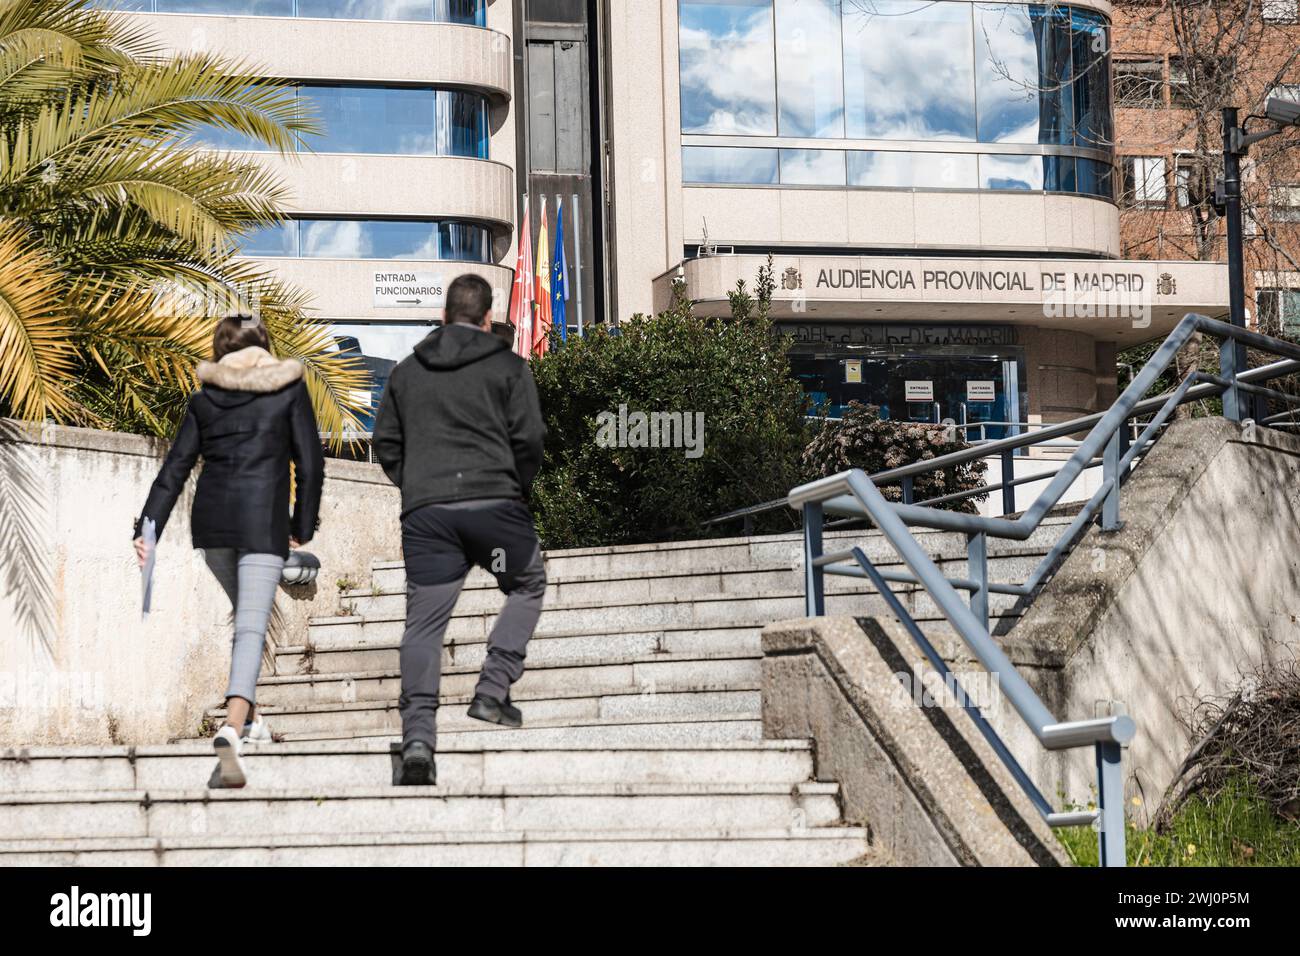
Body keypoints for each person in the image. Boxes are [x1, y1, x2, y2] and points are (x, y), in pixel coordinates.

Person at [133, 316, 324, 788]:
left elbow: (175, 466)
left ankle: (253, 722)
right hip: (262, 525)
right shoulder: (288, 389)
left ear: (220, 351)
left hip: (212, 524)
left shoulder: (205, 399)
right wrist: (302, 527)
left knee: (246, 616)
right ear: (264, 346)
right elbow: (311, 462)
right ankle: (232, 730)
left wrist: (147, 527)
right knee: (252, 625)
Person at [372, 273, 546, 786]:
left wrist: (418, 485)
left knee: (423, 625)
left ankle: (419, 740)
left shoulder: (406, 372)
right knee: (527, 581)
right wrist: (512, 487)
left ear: (445, 316)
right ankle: (492, 689)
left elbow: (386, 442)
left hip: (429, 520)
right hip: (493, 512)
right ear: (488, 318)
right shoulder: (509, 367)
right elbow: (530, 439)